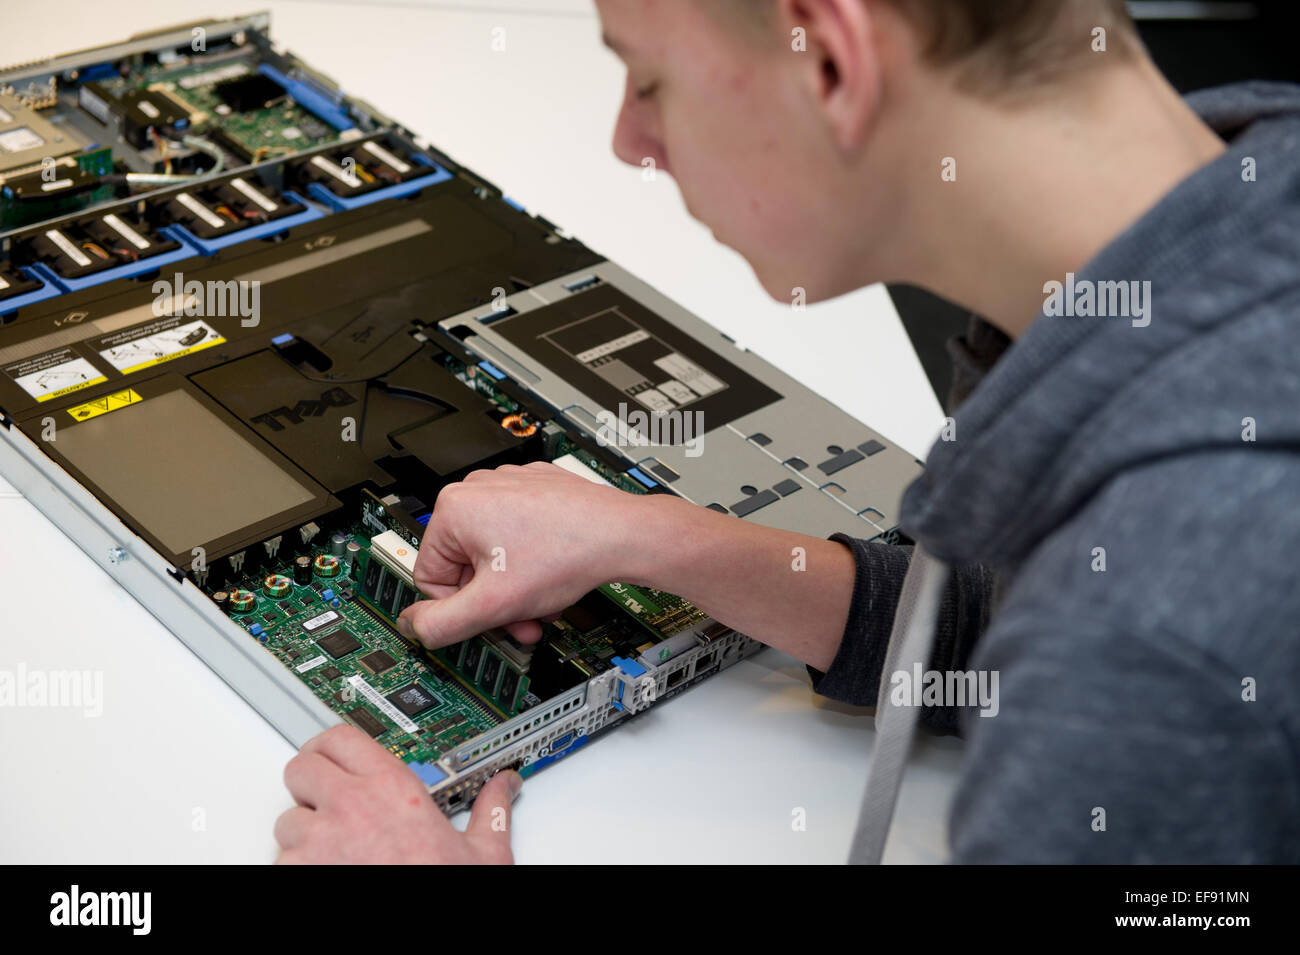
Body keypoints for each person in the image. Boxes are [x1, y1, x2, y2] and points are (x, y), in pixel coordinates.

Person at [272, 0, 1300, 864]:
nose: (628, 142)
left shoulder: (1153, 650)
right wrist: (655, 538)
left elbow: (1118, 653)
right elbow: (1017, 635)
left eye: (649, 82)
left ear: (831, 62)